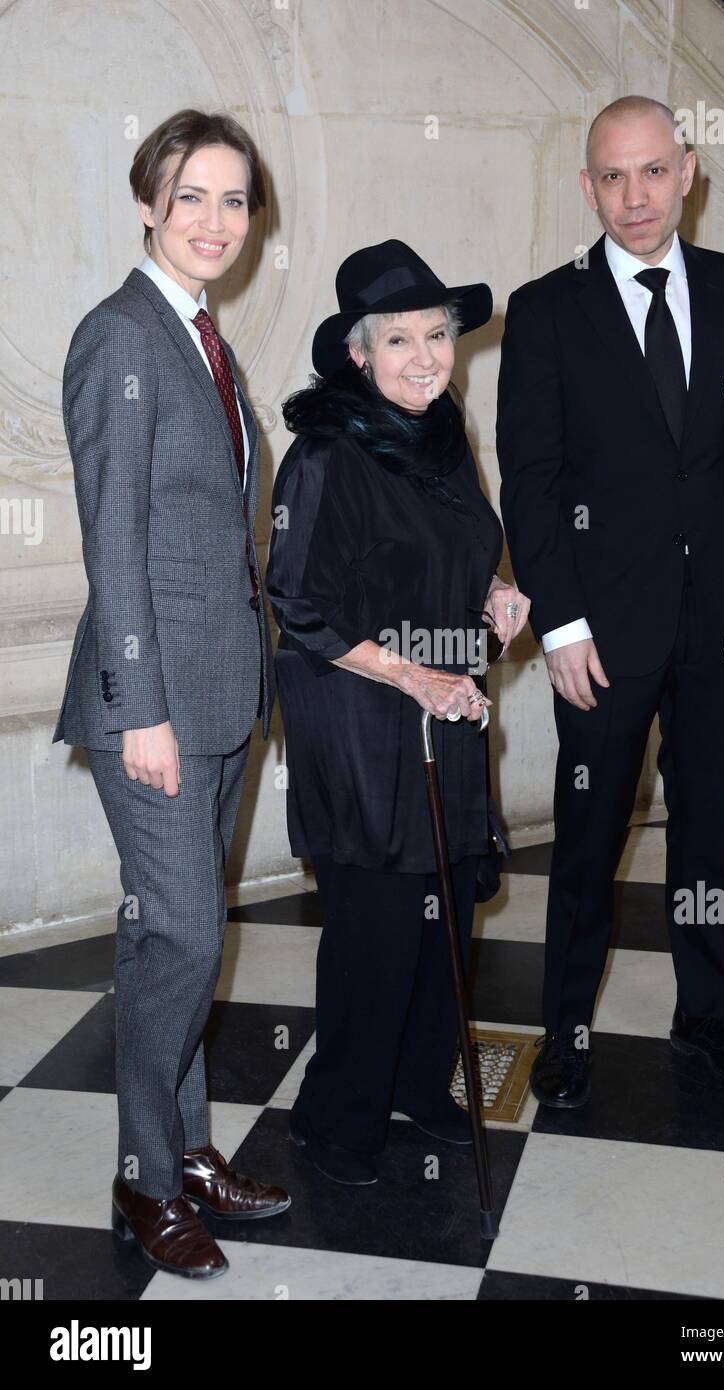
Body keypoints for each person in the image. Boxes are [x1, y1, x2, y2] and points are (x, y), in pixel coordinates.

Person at [497, 96, 724, 1107]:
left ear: (686, 173)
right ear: (585, 187)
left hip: (723, 626)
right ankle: (567, 1025)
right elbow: (529, 479)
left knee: (703, 826)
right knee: (588, 837)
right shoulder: (546, 309)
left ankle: (706, 1014)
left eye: (651, 172)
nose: (633, 196)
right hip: (599, 630)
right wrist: (560, 623)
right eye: (611, 177)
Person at [53, 109, 288, 1278]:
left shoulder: (204, 340)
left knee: (173, 943)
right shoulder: (122, 338)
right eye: (191, 195)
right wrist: (139, 706)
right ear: (148, 202)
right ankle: (147, 1176)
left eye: (234, 200)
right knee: (186, 933)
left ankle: (190, 1150)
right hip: (153, 706)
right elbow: (114, 541)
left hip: (220, 694)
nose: (214, 220)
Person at [266, 239, 530, 1184]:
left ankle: (424, 1086)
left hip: (447, 712)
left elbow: (452, 550)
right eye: (399, 341)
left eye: (437, 336)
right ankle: (336, 1120)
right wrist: (412, 676)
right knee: (378, 929)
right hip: (365, 727)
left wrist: (496, 592)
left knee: (445, 917)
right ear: (357, 354)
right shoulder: (327, 455)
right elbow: (298, 603)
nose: (424, 358)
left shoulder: (441, 431)